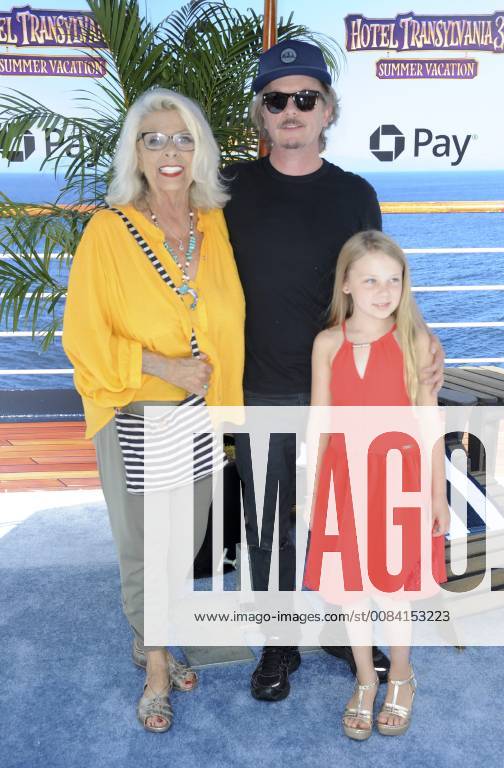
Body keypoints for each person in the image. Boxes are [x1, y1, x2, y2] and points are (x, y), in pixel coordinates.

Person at [223, 39, 444, 701]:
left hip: (351, 392)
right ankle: (278, 644)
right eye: (276, 99)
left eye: (305, 97)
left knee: (352, 521)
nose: (291, 109)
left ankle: (340, 631)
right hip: (262, 387)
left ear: (328, 110)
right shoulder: (228, 189)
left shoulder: (354, 192)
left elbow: (384, 277)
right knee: (269, 528)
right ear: (261, 113)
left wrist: (425, 335)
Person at [63, 88, 245, 732]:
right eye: (154, 139)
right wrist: (163, 366)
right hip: (137, 408)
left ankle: (156, 633)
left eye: (182, 138)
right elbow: (83, 337)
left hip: (194, 415)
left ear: (200, 151)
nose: (170, 151)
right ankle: (157, 667)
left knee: (184, 544)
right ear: (135, 153)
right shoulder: (107, 233)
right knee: (145, 546)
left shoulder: (213, 225)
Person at [304, 230, 450, 739]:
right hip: (344, 482)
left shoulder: (417, 342)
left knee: (394, 590)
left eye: (394, 279)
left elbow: (430, 426)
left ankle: (401, 677)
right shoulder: (327, 343)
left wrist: (438, 495)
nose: (383, 290)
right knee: (352, 590)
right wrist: (312, 492)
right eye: (370, 279)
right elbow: (319, 424)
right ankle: (366, 679)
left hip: (399, 482)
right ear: (346, 284)